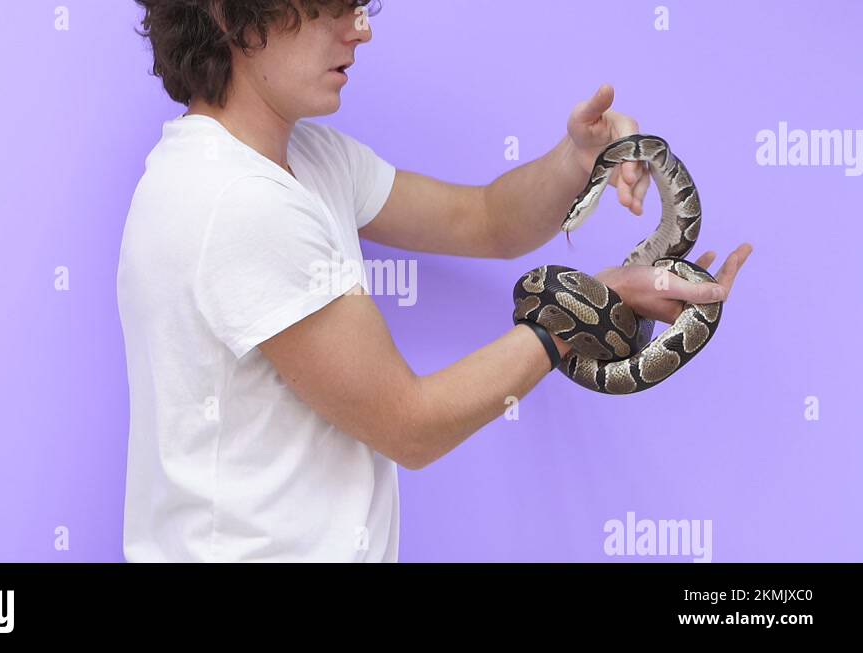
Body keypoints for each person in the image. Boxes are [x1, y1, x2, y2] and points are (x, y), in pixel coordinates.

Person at [117, 0, 753, 563]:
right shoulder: (236, 201)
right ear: (231, 14)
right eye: (331, 5)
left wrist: (577, 160)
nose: (359, 29)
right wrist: (584, 311)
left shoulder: (309, 160)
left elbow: (485, 221)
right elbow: (410, 424)